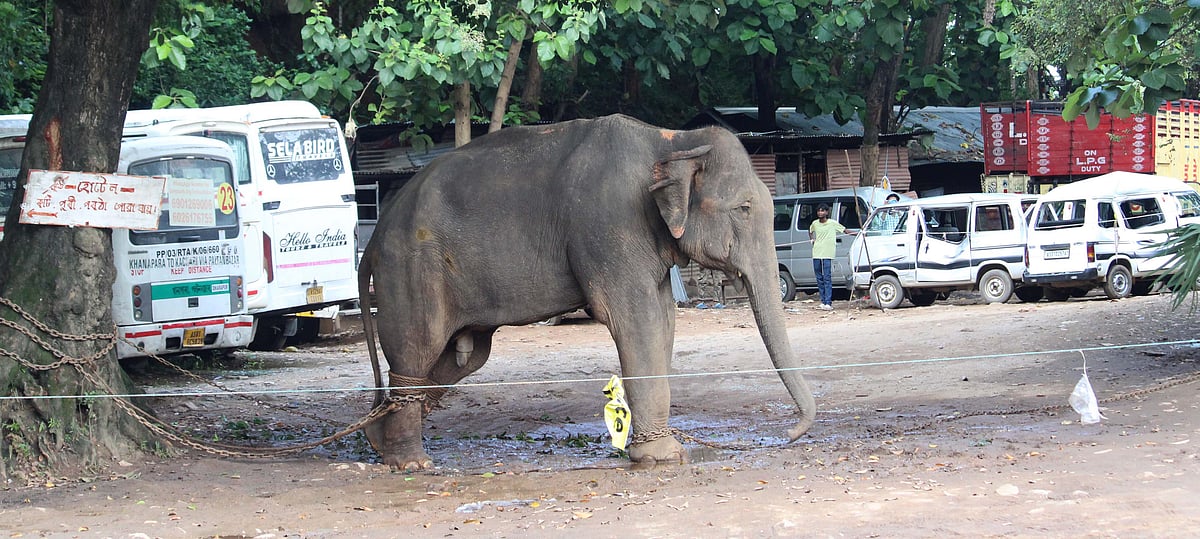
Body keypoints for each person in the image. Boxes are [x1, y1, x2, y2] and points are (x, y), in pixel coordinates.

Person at [809, 203, 854, 310]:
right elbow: (810, 231)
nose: (820, 213)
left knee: (827, 278)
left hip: (827, 253)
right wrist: (812, 239)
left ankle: (828, 302)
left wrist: (858, 233)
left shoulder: (832, 223)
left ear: (827, 212)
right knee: (819, 278)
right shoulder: (815, 223)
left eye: (822, 211)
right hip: (816, 253)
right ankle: (823, 301)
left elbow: (845, 230)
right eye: (819, 211)